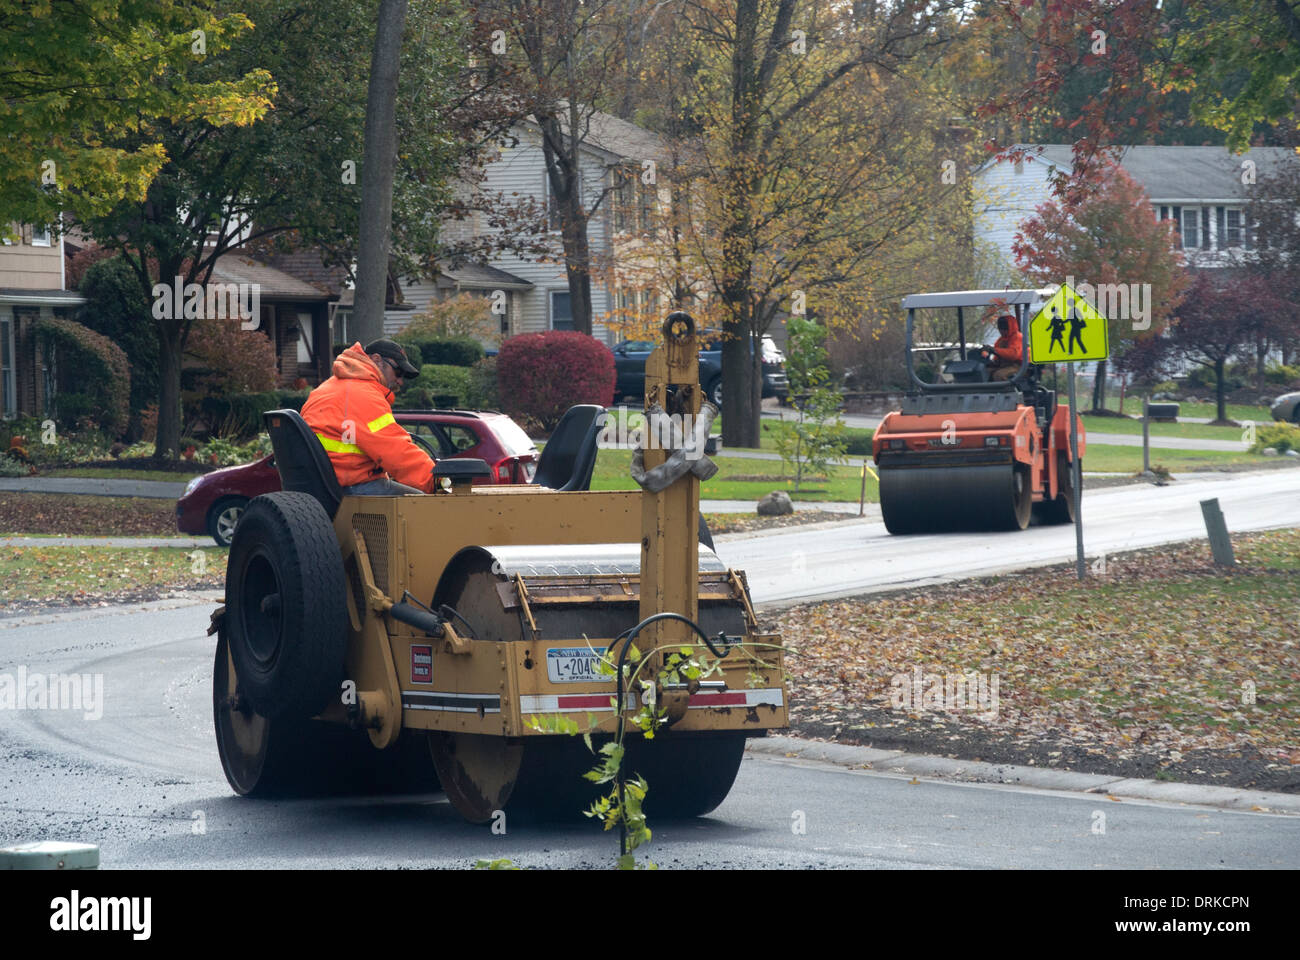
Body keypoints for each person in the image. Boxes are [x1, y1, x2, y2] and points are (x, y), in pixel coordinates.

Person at [300, 338, 437, 495]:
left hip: (326, 485)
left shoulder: (329, 388)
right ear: (376, 360)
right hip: (350, 486)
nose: (400, 381)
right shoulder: (362, 394)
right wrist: (437, 482)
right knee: (423, 506)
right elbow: (395, 450)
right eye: (398, 372)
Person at [976, 314, 1023, 382]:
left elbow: (1013, 354)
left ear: (1011, 326)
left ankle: (1008, 391)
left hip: (1018, 366)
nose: (1002, 331)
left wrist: (994, 350)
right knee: (983, 372)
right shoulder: (1001, 340)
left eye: (1004, 328)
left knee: (999, 375)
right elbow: (997, 356)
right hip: (1004, 366)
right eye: (1000, 328)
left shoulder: (1018, 337)